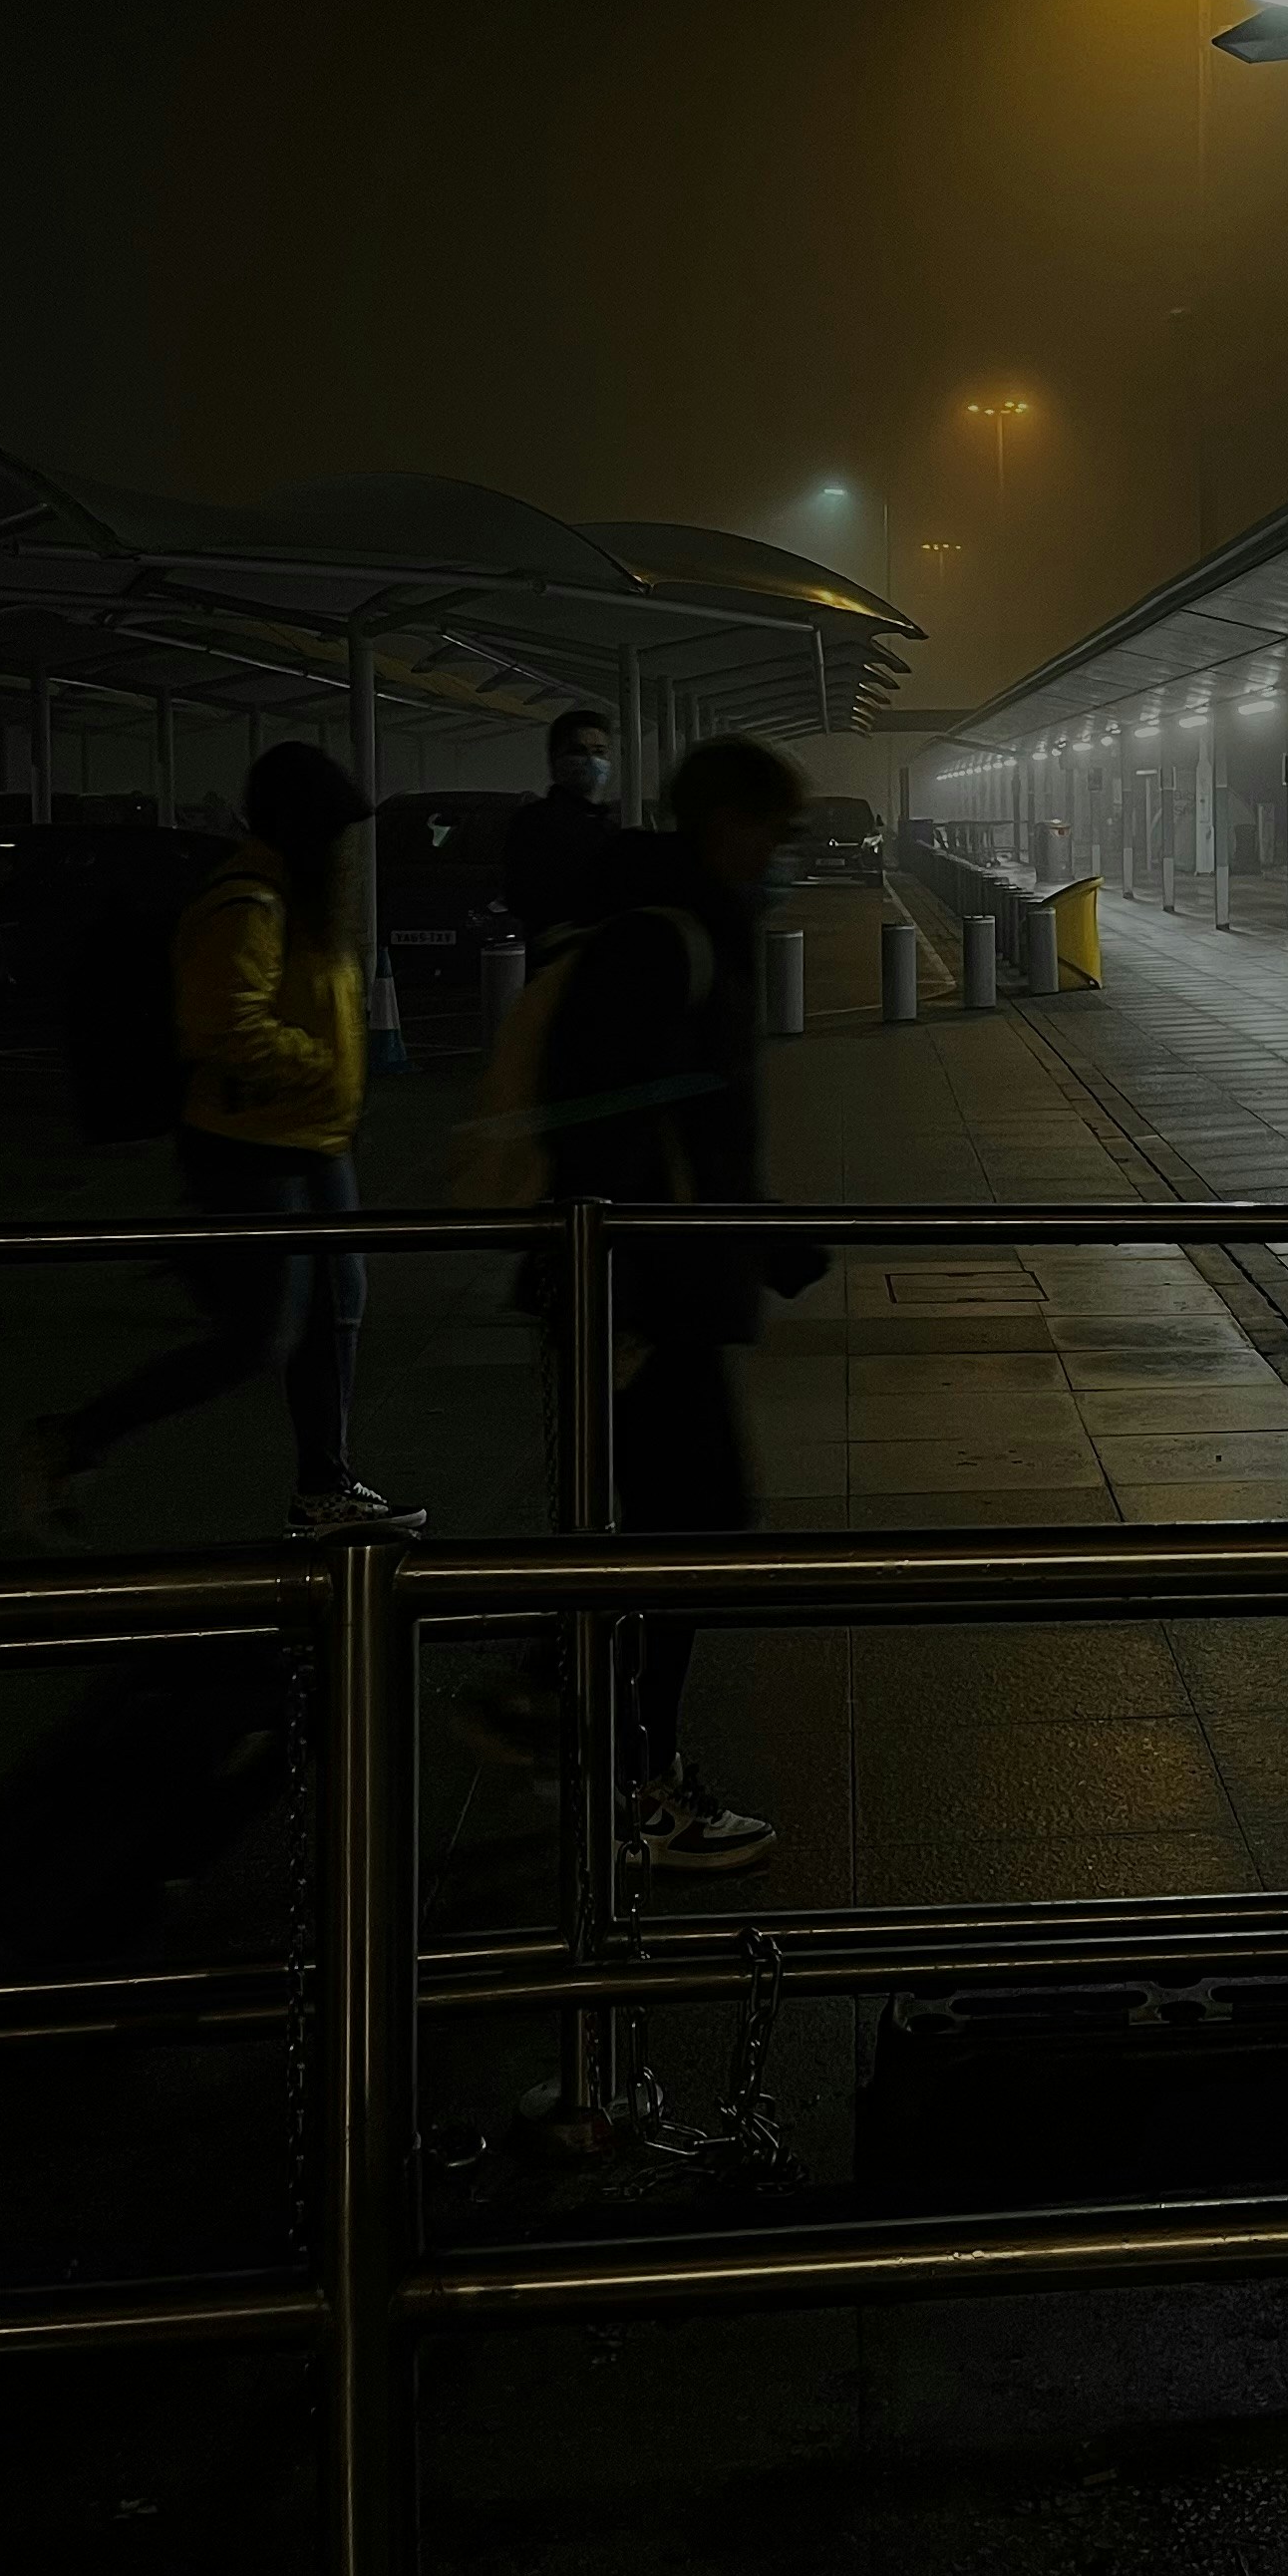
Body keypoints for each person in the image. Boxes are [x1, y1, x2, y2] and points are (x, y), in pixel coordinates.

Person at [537, 735, 820, 1875]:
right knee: (693, 1526)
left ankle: (608, 1745)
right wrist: (649, 1286)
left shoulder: (675, 925)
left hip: (658, 1279)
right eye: (775, 833)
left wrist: (765, 1237)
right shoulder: (670, 939)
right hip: (645, 1290)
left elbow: (690, 1124)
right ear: (729, 827)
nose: (782, 857)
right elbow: (613, 1127)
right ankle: (623, 1769)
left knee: (678, 1526)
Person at [21, 742, 421, 1540]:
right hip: (250, 1147)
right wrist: (317, 1068)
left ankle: (324, 1487)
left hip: (310, 1142)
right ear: (303, 829)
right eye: (337, 833)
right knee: (257, 1336)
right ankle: (74, 1437)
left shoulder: (296, 902)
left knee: (336, 1312)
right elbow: (223, 1025)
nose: (349, 852)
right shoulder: (249, 905)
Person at [500, 705, 618, 958]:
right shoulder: (534, 824)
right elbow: (522, 896)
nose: (591, 761)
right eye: (577, 751)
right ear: (554, 761)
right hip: (555, 960)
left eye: (599, 752)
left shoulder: (608, 825)